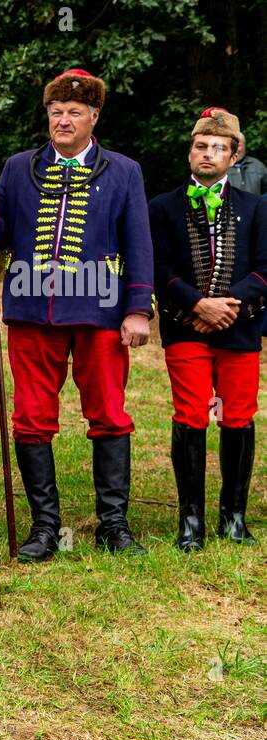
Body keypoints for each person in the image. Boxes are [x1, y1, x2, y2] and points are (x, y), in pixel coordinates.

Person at [0, 68, 155, 560]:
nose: (64, 120)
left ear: (94, 117)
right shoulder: (16, 167)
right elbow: (0, 235)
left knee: (110, 413)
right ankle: (44, 528)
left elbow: (138, 242)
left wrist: (138, 308)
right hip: (32, 311)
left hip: (99, 311)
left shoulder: (124, 170)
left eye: (74, 112)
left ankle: (113, 524)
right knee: (31, 417)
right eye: (56, 112)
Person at [151, 107, 267, 550]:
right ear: (190, 152)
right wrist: (198, 303)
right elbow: (157, 267)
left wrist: (226, 306)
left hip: (240, 329)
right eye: (201, 146)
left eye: (219, 147)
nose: (208, 153)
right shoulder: (162, 207)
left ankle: (234, 516)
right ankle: (191, 521)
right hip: (186, 327)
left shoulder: (257, 208)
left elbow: (264, 269)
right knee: (190, 415)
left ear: (234, 155)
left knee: (238, 417)